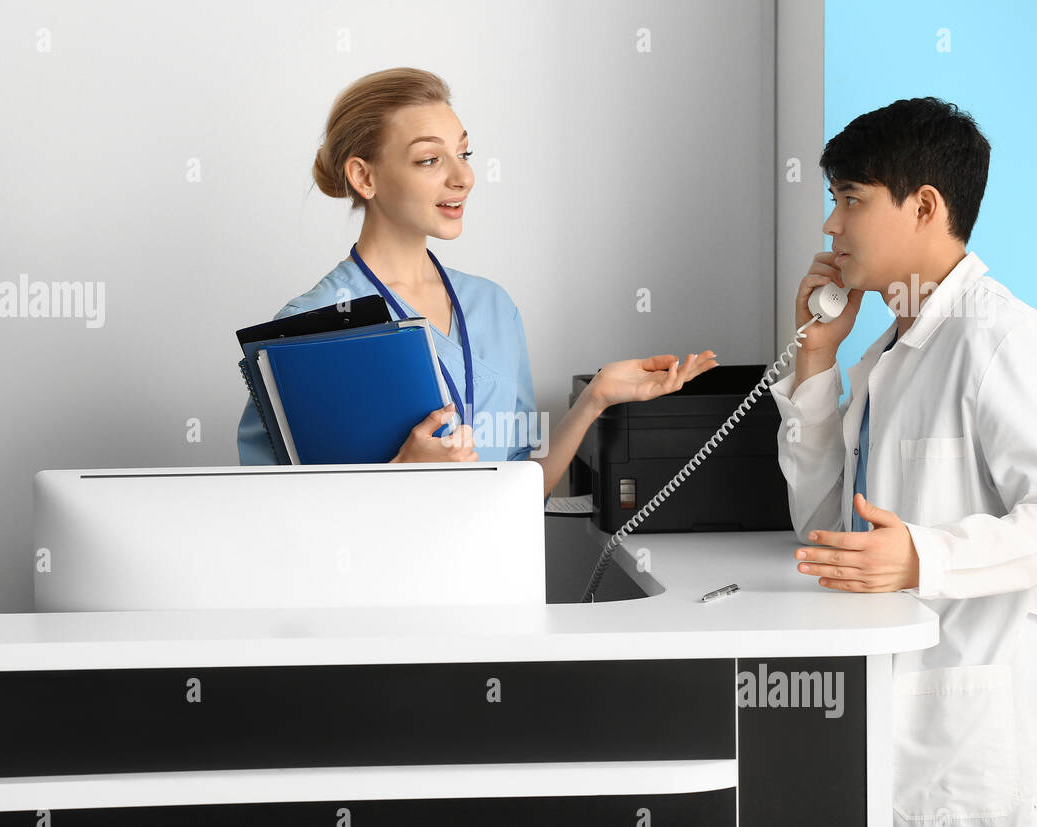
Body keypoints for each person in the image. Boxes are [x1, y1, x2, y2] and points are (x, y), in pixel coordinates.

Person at [770, 97, 1037, 827]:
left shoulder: (1000, 337)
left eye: (851, 200)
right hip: (910, 735)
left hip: (983, 749)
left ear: (925, 206)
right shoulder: (892, 346)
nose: (831, 226)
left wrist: (925, 556)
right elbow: (825, 522)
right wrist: (817, 360)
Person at [236, 67, 717, 501]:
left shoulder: (492, 305)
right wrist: (400, 470)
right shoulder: (306, 327)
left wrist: (596, 399)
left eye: (463, 153)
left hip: (495, 581)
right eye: (429, 160)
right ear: (364, 176)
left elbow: (524, 490)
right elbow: (278, 516)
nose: (463, 176)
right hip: (376, 593)